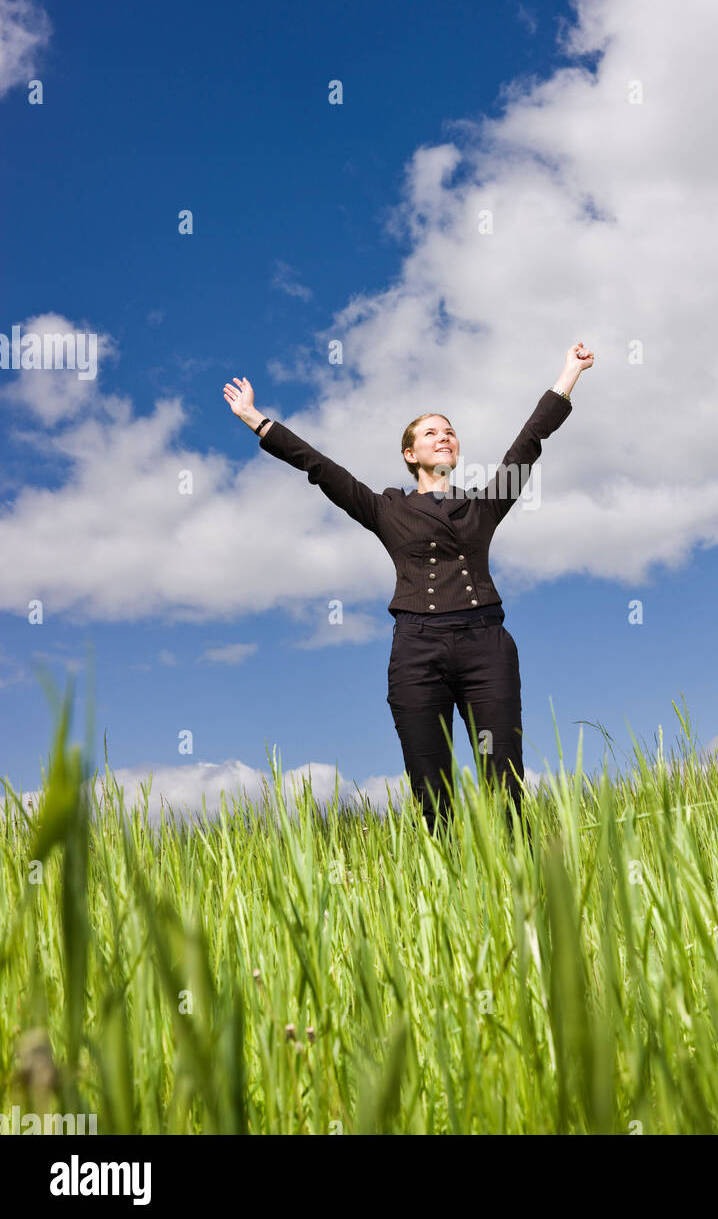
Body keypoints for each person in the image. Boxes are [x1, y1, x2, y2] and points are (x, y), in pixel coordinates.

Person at [223, 342, 594, 844]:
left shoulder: (482, 505)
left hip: (486, 647)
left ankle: (520, 891)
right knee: (431, 793)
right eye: (430, 433)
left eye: (450, 432)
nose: (444, 438)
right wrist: (255, 419)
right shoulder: (385, 510)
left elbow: (528, 443)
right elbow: (319, 467)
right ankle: (450, 898)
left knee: (503, 784)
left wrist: (568, 374)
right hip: (417, 651)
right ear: (409, 454)